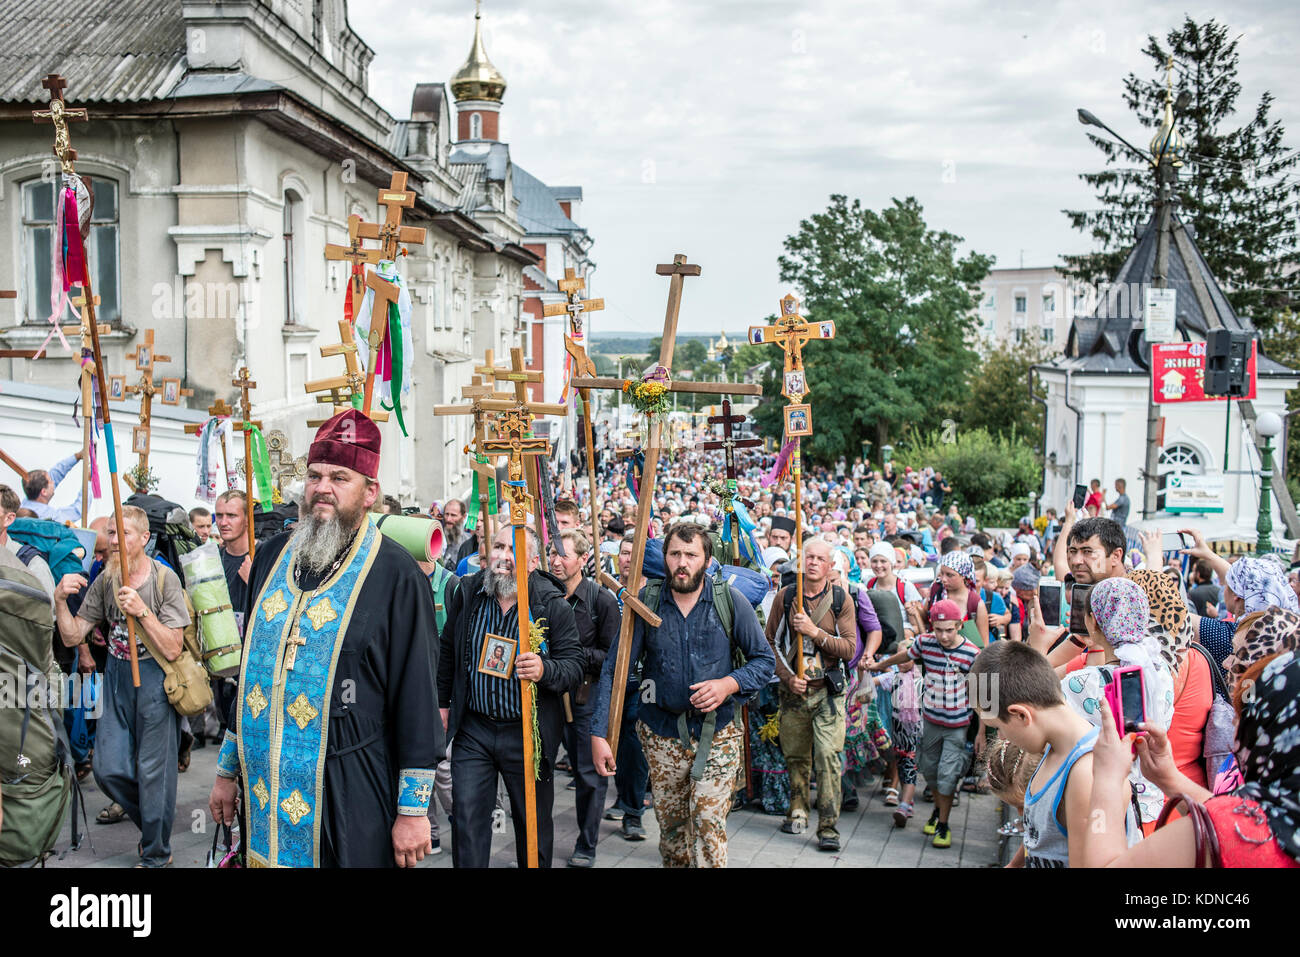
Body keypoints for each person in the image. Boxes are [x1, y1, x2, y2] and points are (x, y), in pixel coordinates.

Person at [208, 409, 443, 868]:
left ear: (370, 492)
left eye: (340, 477)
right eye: (315, 475)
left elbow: (416, 696)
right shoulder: (273, 557)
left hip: (351, 783)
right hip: (265, 787)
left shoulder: (397, 575)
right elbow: (252, 672)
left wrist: (413, 812)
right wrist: (225, 771)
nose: (322, 488)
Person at [590, 523, 776, 868]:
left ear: (706, 561)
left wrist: (728, 684)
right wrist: (600, 734)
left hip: (717, 732)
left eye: (691, 555)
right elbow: (615, 670)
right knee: (673, 833)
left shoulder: (729, 600)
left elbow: (764, 661)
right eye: (675, 554)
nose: (682, 562)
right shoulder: (646, 603)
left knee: (707, 821)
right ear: (665, 558)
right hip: (662, 735)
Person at [53, 505, 189, 867]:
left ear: (144, 538)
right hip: (115, 677)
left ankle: (156, 853)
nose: (113, 541)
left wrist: (142, 611)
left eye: (122, 533)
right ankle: (153, 821)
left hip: (156, 681)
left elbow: (175, 646)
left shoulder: (164, 579)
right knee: (107, 768)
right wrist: (60, 601)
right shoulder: (107, 578)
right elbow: (72, 635)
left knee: (153, 771)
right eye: (111, 533)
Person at [440, 524, 583, 869]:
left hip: (526, 735)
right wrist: (442, 705)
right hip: (474, 730)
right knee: (467, 822)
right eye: (500, 547)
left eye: (514, 550)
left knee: (532, 830)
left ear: (533, 562)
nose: (504, 557)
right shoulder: (469, 592)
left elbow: (574, 665)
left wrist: (544, 670)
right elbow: (448, 650)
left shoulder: (552, 605)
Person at [1081, 651, 1300, 868]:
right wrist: (1169, 779)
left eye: (1241, 717)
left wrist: (1107, 779)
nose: (1234, 727)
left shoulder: (1244, 833)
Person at [969, 640, 1135, 867]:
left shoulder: (1086, 773)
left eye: (998, 727)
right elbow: (1039, 835)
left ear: (1020, 715)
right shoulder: (1053, 749)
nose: (1002, 738)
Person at [763, 540, 857, 850]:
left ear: (831, 566)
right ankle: (797, 808)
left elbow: (848, 648)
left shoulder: (841, 600)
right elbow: (770, 644)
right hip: (793, 693)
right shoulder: (786, 597)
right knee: (795, 755)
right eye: (809, 558)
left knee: (829, 757)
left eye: (821, 559)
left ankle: (828, 826)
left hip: (828, 693)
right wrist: (788, 678)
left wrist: (815, 632)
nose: (814, 563)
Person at [1062, 576, 1173, 830]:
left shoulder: (1079, 685)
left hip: (1101, 807)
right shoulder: (1161, 673)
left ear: (1093, 621)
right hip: (1152, 807)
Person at [869, 599, 981, 849]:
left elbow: (986, 694)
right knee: (929, 773)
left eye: (949, 629)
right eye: (938, 629)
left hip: (957, 726)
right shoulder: (925, 643)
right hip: (929, 722)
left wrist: (983, 731)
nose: (943, 635)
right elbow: (905, 654)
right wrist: (880, 665)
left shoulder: (973, 654)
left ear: (959, 626)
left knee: (947, 777)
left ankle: (943, 825)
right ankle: (937, 812)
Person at [548, 528, 619, 868]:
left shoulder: (600, 601)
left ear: (583, 559)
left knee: (589, 774)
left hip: (585, 696)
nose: (555, 561)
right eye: (552, 553)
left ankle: (587, 843)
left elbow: (614, 656)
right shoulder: (544, 594)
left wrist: (574, 655)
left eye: (563, 554)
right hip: (549, 695)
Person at [20, 451, 85, 523]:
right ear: (44, 492)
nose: (54, 482)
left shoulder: (24, 505)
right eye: (51, 481)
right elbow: (77, 510)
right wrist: (88, 482)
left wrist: (77, 456)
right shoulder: (52, 517)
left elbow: (55, 474)